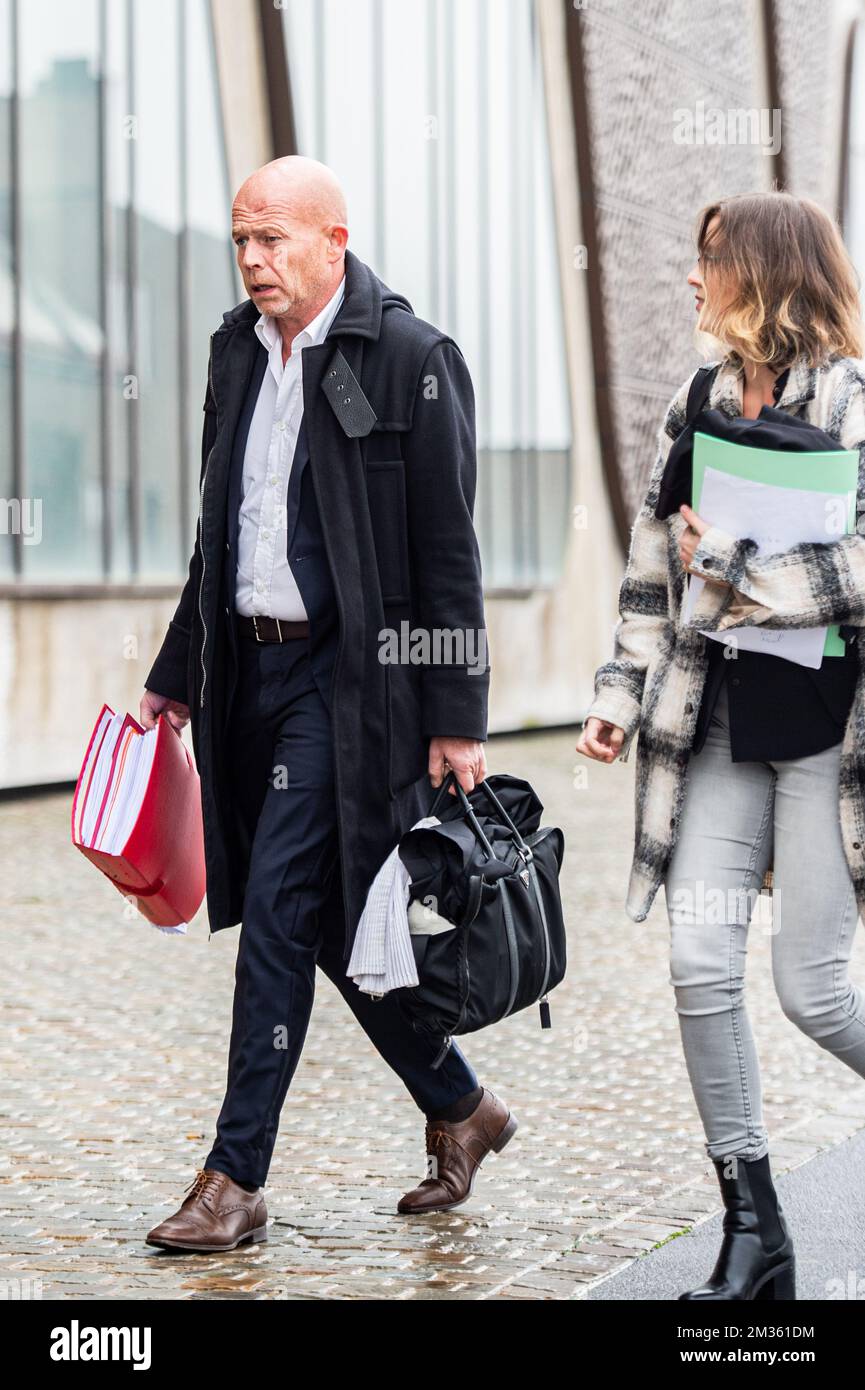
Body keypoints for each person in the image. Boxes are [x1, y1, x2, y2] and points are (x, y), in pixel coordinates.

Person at [139, 155, 515, 1252]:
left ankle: (233, 1177)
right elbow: (224, 536)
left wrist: (459, 717)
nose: (254, 259)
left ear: (332, 240)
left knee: (275, 905)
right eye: (242, 239)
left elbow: (449, 552)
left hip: (352, 685)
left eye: (275, 239)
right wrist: (175, 674)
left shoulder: (408, 359)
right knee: (332, 925)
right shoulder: (235, 353)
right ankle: (461, 1105)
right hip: (246, 676)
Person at [576, 190, 865, 1300]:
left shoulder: (850, 404)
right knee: (699, 964)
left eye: (710, 262)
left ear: (765, 270)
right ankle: (756, 1237)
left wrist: (735, 567)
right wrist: (615, 689)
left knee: (812, 990)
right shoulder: (694, 400)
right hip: (718, 730)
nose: (692, 282)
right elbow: (654, 569)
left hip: (825, 742)